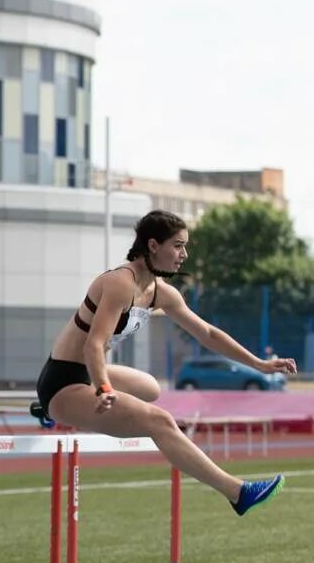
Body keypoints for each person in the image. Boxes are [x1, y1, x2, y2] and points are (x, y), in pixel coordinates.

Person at [35, 210, 292, 517]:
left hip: (87, 374)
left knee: (151, 388)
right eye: (179, 246)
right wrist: (103, 387)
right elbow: (94, 345)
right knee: (160, 421)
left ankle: (47, 412)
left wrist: (260, 364)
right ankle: (237, 493)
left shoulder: (160, 293)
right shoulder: (120, 283)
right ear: (153, 245)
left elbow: (208, 334)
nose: (184, 254)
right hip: (63, 382)